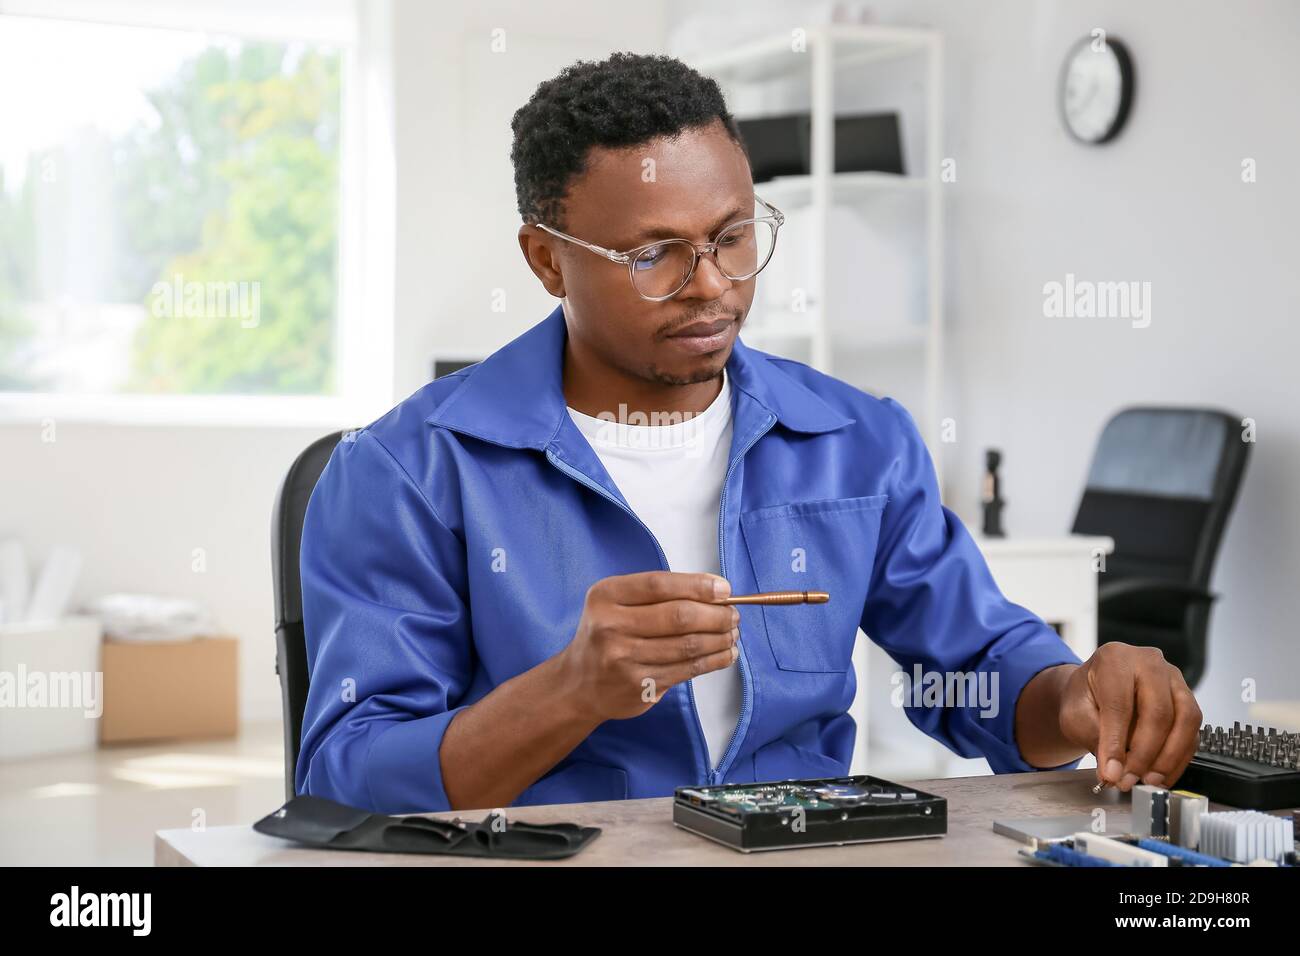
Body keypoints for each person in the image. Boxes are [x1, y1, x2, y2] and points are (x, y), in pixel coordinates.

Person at [296, 52, 1201, 813]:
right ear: (545, 260)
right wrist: (569, 691)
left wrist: (1078, 698)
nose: (712, 285)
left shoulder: (857, 442)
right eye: (653, 255)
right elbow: (346, 783)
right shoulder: (403, 472)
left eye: (732, 236)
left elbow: (980, 674)